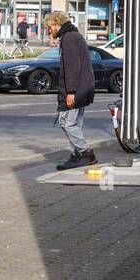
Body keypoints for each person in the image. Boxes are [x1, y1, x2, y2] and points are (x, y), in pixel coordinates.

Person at [44, 10, 97, 169]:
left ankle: (85, 153)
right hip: (83, 86)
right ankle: (77, 155)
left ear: (56, 24)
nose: (48, 31)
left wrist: (71, 92)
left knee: (68, 123)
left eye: (49, 27)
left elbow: (72, 67)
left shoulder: (69, 38)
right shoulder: (73, 35)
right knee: (72, 122)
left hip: (77, 88)